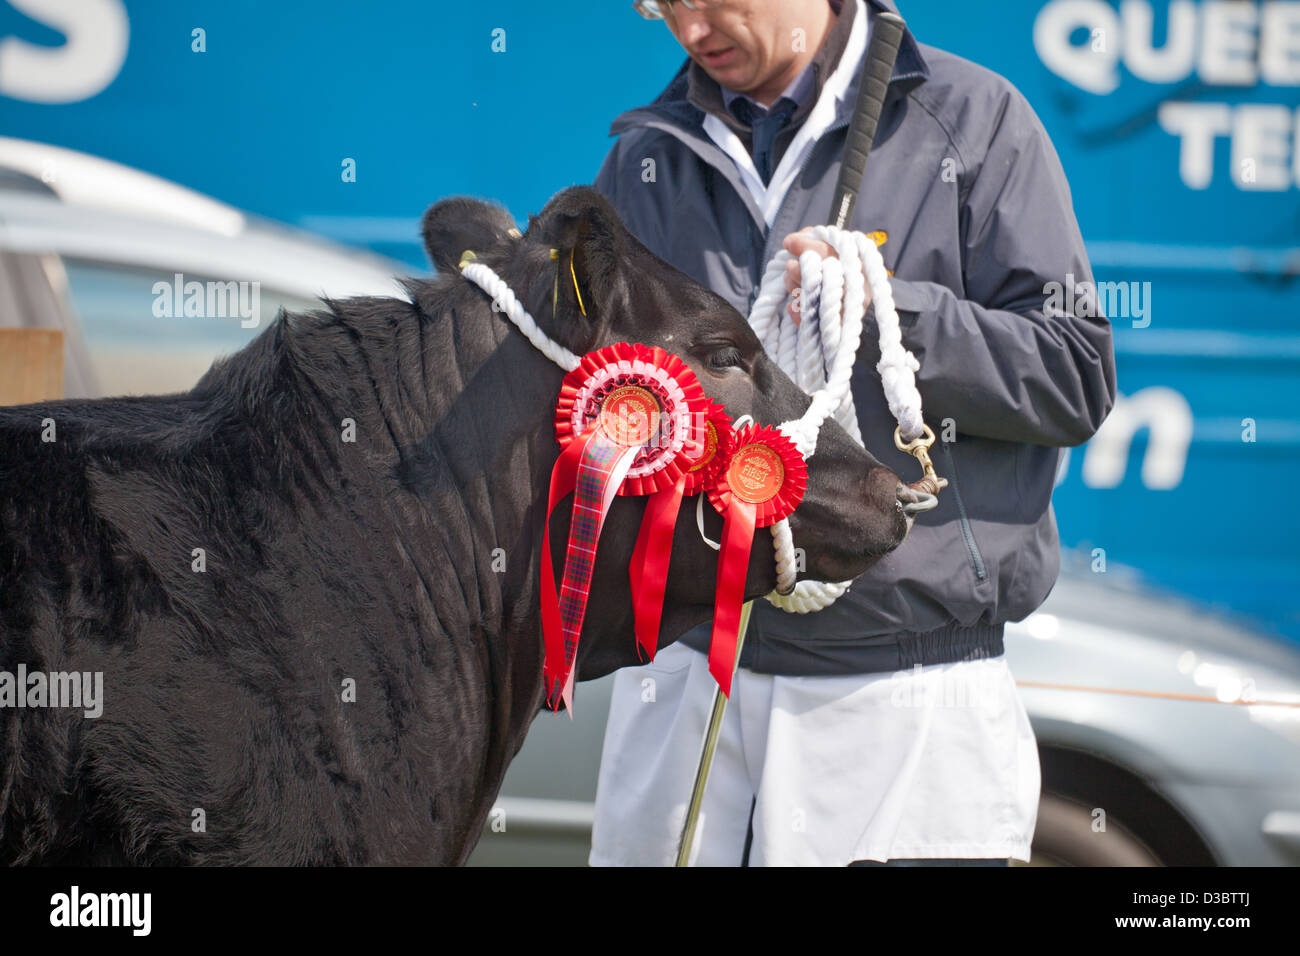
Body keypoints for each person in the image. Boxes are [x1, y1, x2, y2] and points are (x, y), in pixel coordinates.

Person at [590, 0, 1116, 866]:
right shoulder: (646, 157)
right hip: (684, 681)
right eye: (663, 4)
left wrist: (891, 312)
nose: (690, 30)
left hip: (906, 692)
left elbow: (1074, 375)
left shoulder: (976, 121)